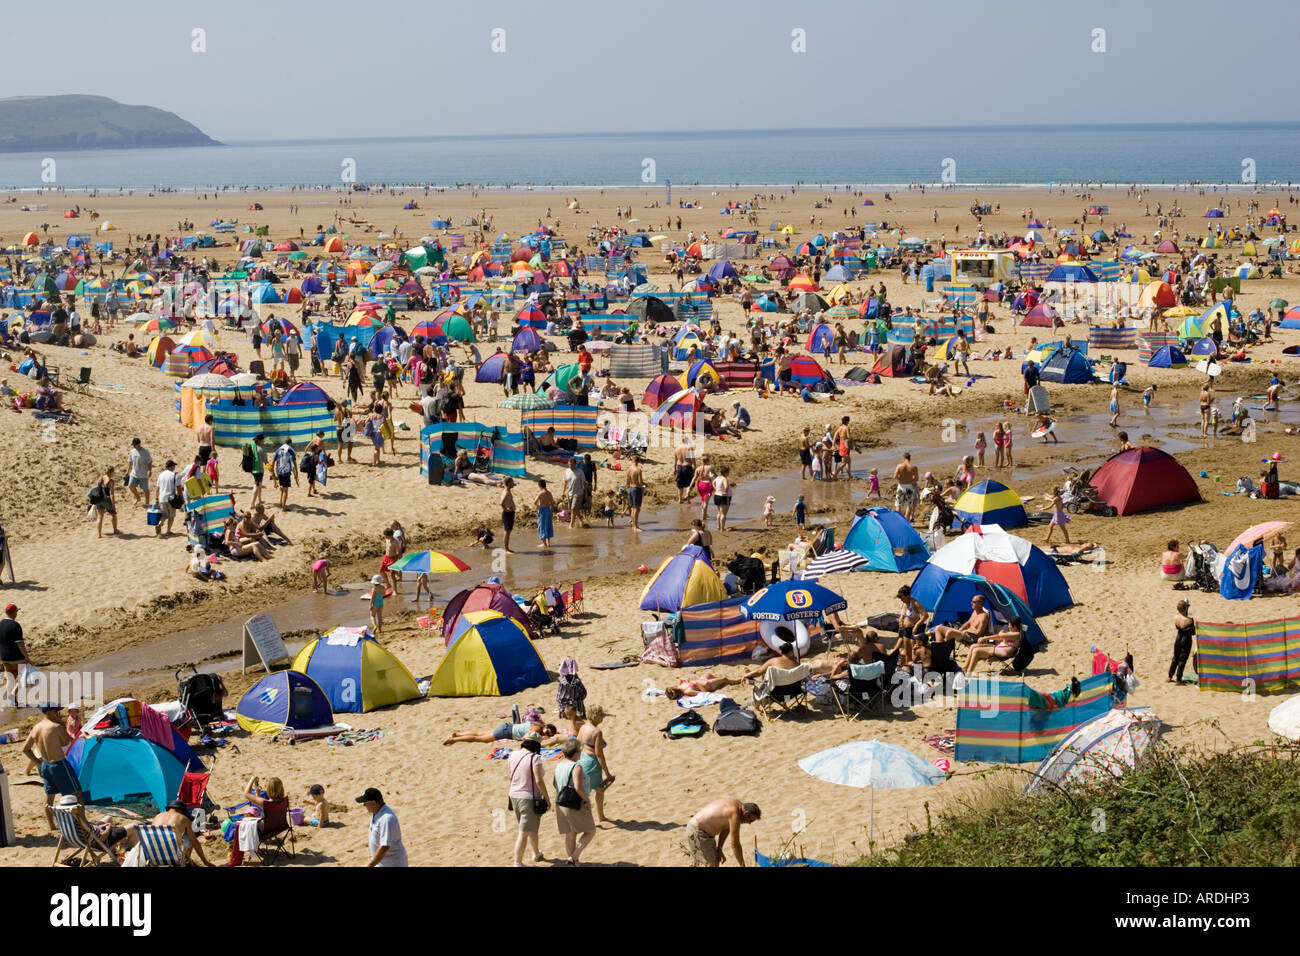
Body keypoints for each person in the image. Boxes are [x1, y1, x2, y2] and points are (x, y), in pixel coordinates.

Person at [22, 703, 80, 829]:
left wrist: (38, 762)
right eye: (57, 712)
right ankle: (82, 822)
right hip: (59, 764)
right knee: (77, 794)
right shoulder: (56, 727)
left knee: (50, 798)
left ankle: (52, 826)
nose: (59, 714)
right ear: (49, 713)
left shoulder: (36, 728)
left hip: (45, 766)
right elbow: (67, 742)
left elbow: (25, 749)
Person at [507, 733, 549, 866]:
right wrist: (547, 799)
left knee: (530, 828)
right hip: (529, 799)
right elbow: (539, 780)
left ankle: (537, 853)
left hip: (513, 796)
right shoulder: (535, 758)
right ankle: (517, 863)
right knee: (523, 833)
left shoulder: (512, 754)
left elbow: (510, 777)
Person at [554, 737, 597, 866]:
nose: (581, 753)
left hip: (560, 802)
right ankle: (574, 857)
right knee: (590, 831)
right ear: (575, 753)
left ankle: (574, 862)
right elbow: (578, 788)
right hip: (574, 803)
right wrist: (587, 800)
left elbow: (554, 783)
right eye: (579, 750)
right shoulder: (576, 766)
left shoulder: (559, 765)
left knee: (570, 834)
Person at [685, 798, 761, 867]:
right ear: (746, 814)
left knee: (716, 860)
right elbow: (735, 844)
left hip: (705, 833)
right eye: (750, 820)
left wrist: (719, 848)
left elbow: (726, 828)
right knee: (713, 863)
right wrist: (743, 865)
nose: (749, 823)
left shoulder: (738, 805)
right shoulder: (735, 813)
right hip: (697, 831)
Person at [153, 799, 215, 866]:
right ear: (181, 810)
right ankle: (186, 860)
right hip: (173, 855)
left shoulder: (157, 816)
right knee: (191, 838)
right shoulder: (184, 818)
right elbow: (195, 842)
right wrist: (205, 862)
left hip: (154, 853)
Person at [358, 787, 408, 867]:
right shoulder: (376, 813)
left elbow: (385, 846)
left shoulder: (386, 819)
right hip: (381, 863)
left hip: (393, 864)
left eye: (365, 803)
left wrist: (370, 865)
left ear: (373, 802)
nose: (364, 805)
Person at [0, 603, 33, 703]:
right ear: (14, 612)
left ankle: (13, 702)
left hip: (4, 657)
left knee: (11, 679)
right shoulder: (15, 625)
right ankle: (12, 695)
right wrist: (27, 658)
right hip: (16, 658)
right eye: (16, 611)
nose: (17, 613)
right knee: (23, 678)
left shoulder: (0, 624)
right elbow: (20, 644)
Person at [443, 716, 557, 745]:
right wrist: (542, 738)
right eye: (547, 732)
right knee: (480, 739)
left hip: (507, 727)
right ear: (545, 727)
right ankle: (453, 740)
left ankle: (457, 734)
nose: (545, 734)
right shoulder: (537, 729)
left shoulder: (539, 724)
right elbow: (527, 736)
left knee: (479, 733)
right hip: (506, 731)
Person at [1169, 599, 1196, 684]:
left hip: (1178, 638)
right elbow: (1193, 632)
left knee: (1175, 657)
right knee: (1182, 659)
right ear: (1185, 609)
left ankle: (1170, 676)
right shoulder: (1189, 620)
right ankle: (1178, 679)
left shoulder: (1176, 617)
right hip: (1186, 640)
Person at [664, 674, 743, 700]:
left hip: (702, 680)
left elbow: (683, 680)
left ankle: (720, 681)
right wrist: (697, 684)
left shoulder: (680, 686)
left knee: (708, 674)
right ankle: (734, 682)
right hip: (708, 685)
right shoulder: (687, 691)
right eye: (672, 686)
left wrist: (685, 681)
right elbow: (704, 693)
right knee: (724, 679)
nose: (673, 685)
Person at [91, 465, 119, 537]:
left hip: (99, 498)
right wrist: (113, 505)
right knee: (114, 515)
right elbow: (111, 494)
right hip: (106, 499)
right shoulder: (111, 481)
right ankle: (115, 530)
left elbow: (97, 487)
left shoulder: (101, 478)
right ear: (111, 472)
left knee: (100, 516)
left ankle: (99, 534)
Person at [272, 438, 299, 509]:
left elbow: (273, 461)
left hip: (278, 471)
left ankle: (280, 502)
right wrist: (296, 473)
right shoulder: (290, 450)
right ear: (290, 443)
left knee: (282, 487)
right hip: (286, 472)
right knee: (285, 490)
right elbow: (294, 462)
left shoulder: (278, 450)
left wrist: (273, 472)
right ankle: (284, 507)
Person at [126, 437, 152, 509]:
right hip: (134, 474)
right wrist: (128, 471)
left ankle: (147, 503)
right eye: (133, 445)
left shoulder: (145, 452)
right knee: (131, 486)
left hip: (143, 474)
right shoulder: (132, 451)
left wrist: (149, 470)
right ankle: (137, 497)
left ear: (139, 444)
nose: (134, 446)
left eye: (135, 445)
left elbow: (149, 462)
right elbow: (130, 462)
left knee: (145, 489)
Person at [893, 452, 919, 522]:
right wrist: (911, 481)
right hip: (909, 486)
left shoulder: (899, 466)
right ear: (910, 458)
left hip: (901, 485)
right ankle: (906, 521)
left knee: (898, 504)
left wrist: (901, 479)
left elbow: (894, 476)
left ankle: (898, 521)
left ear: (904, 458)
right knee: (909, 505)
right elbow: (916, 478)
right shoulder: (913, 467)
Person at [243, 433, 265, 509]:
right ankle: (252, 503)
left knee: (260, 484)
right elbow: (265, 461)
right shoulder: (260, 449)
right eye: (263, 440)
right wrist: (270, 468)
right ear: (260, 440)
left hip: (253, 469)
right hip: (258, 470)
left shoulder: (252, 446)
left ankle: (260, 499)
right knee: (256, 485)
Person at [536, 479, 555, 553]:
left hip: (542, 510)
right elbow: (552, 502)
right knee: (548, 525)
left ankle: (544, 544)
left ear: (540, 486)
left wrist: (538, 506)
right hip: (548, 509)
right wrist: (551, 510)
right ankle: (548, 543)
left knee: (542, 526)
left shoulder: (540, 493)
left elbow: (535, 502)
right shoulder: (549, 493)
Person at [626, 457, 645, 531]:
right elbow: (640, 482)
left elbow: (627, 482)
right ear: (638, 462)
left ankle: (633, 525)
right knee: (637, 509)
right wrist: (644, 485)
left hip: (630, 489)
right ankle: (635, 527)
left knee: (633, 508)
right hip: (636, 489)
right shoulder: (638, 470)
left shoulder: (628, 469)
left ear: (632, 461)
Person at [500, 478, 517, 552]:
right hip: (508, 513)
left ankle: (507, 548)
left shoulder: (506, 490)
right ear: (509, 483)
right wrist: (506, 509)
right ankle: (506, 549)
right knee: (507, 532)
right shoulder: (506, 492)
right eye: (512, 482)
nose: (513, 483)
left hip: (509, 513)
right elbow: (501, 502)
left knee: (508, 531)